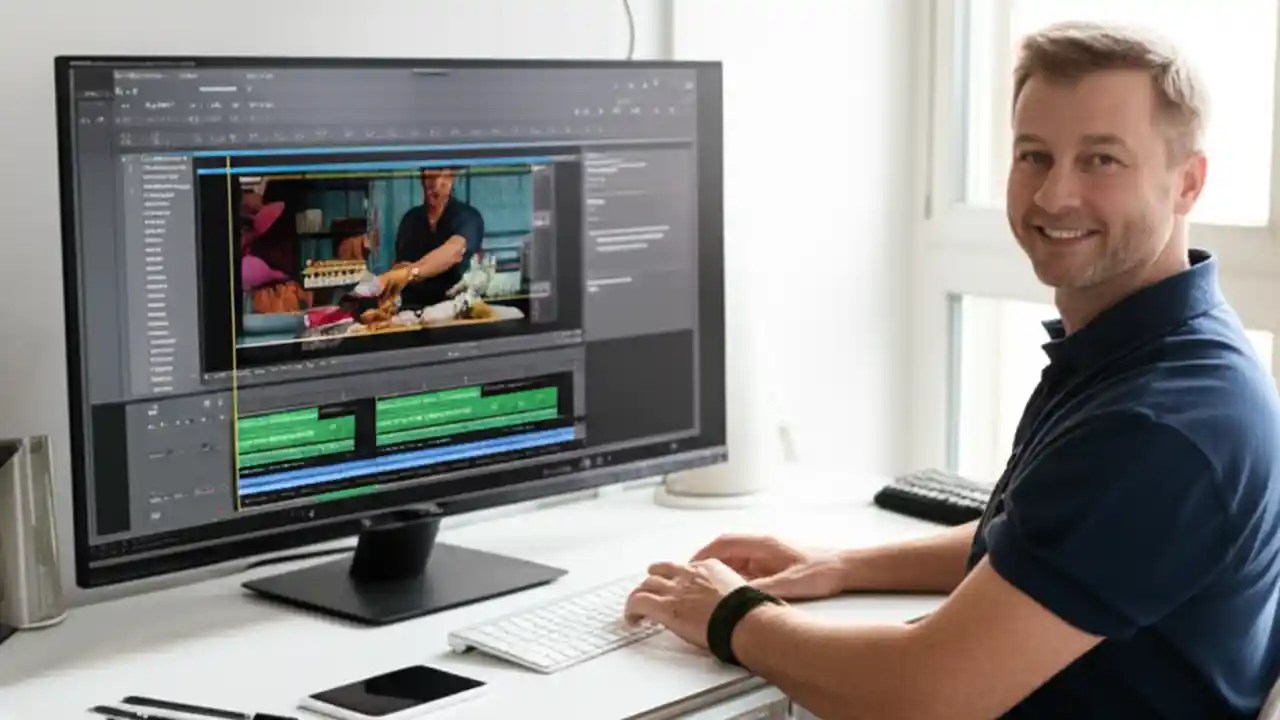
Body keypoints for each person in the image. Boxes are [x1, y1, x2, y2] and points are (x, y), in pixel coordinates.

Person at [625, 21, 1280, 719]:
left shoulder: (1158, 426)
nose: (1056, 195)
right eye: (1034, 156)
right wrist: (840, 566)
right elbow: (1046, 542)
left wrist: (731, 616)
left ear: (1189, 183)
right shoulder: (1161, 350)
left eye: (1101, 161)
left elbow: (924, 694)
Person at [378, 166, 484, 309]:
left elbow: (452, 252)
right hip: (411, 312)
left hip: (454, 310)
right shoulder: (410, 219)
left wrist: (409, 273)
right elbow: (400, 265)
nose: (433, 186)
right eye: (428, 177)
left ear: (451, 177)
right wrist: (389, 289)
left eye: (439, 176)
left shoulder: (468, 217)